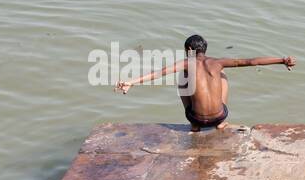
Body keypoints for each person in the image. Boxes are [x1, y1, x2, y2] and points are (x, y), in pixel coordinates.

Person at [116, 34, 295, 131]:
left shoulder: (186, 63)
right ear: (204, 49)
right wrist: (281, 60)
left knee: (182, 78)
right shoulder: (217, 63)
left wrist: (131, 81)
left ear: (189, 50)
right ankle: (220, 124)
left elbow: (159, 73)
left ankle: (194, 126)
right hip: (219, 117)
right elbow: (252, 61)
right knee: (222, 75)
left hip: (196, 119)